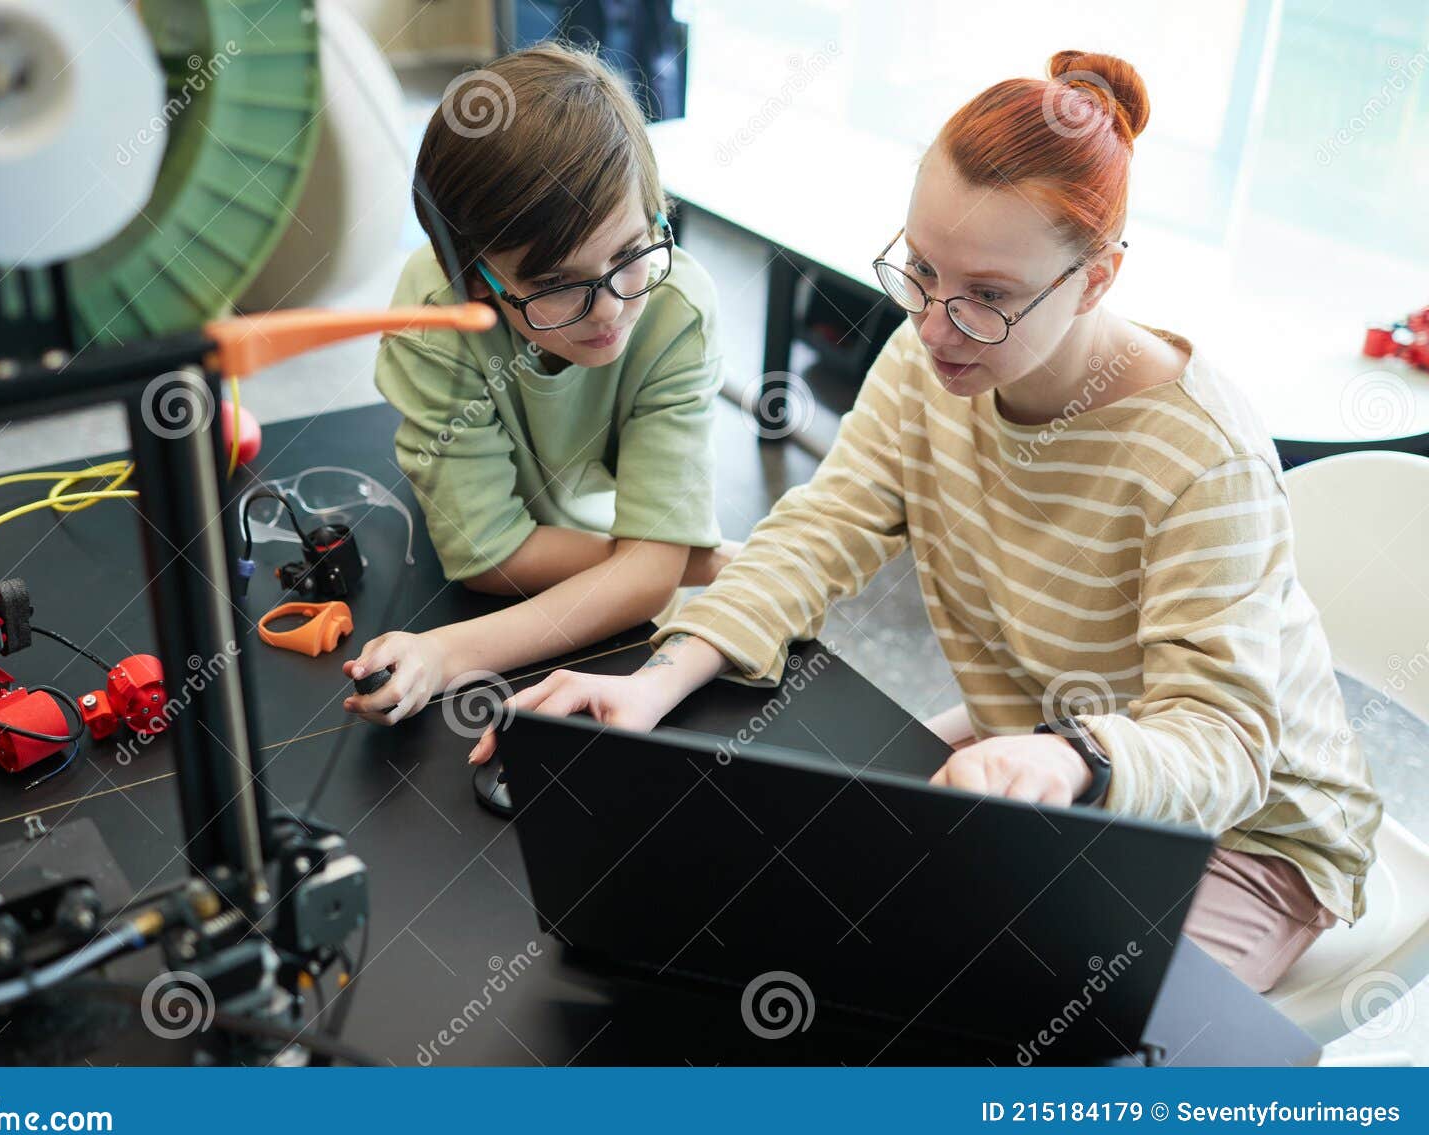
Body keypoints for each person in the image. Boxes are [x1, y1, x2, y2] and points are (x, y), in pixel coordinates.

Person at [470, 51, 1381, 993]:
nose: (936, 326)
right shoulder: (932, 361)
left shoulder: (1204, 460)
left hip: (1247, 833)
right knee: (810, 915)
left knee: (1033, 1013)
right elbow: (823, 528)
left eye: (989, 295)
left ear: (1097, 279)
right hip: (1036, 745)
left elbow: (1226, 742)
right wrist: (657, 681)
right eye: (921, 269)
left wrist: (1075, 758)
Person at [345, 43, 733, 724]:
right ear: (475, 280)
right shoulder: (434, 318)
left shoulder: (678, 311)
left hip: (578, 551)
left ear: (657, 212)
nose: (609, 309)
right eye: (556, 283)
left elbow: (646, 581)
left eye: (629, 253)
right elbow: (489, 555)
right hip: (487, 568)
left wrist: (653, 564)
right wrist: (668, 559)